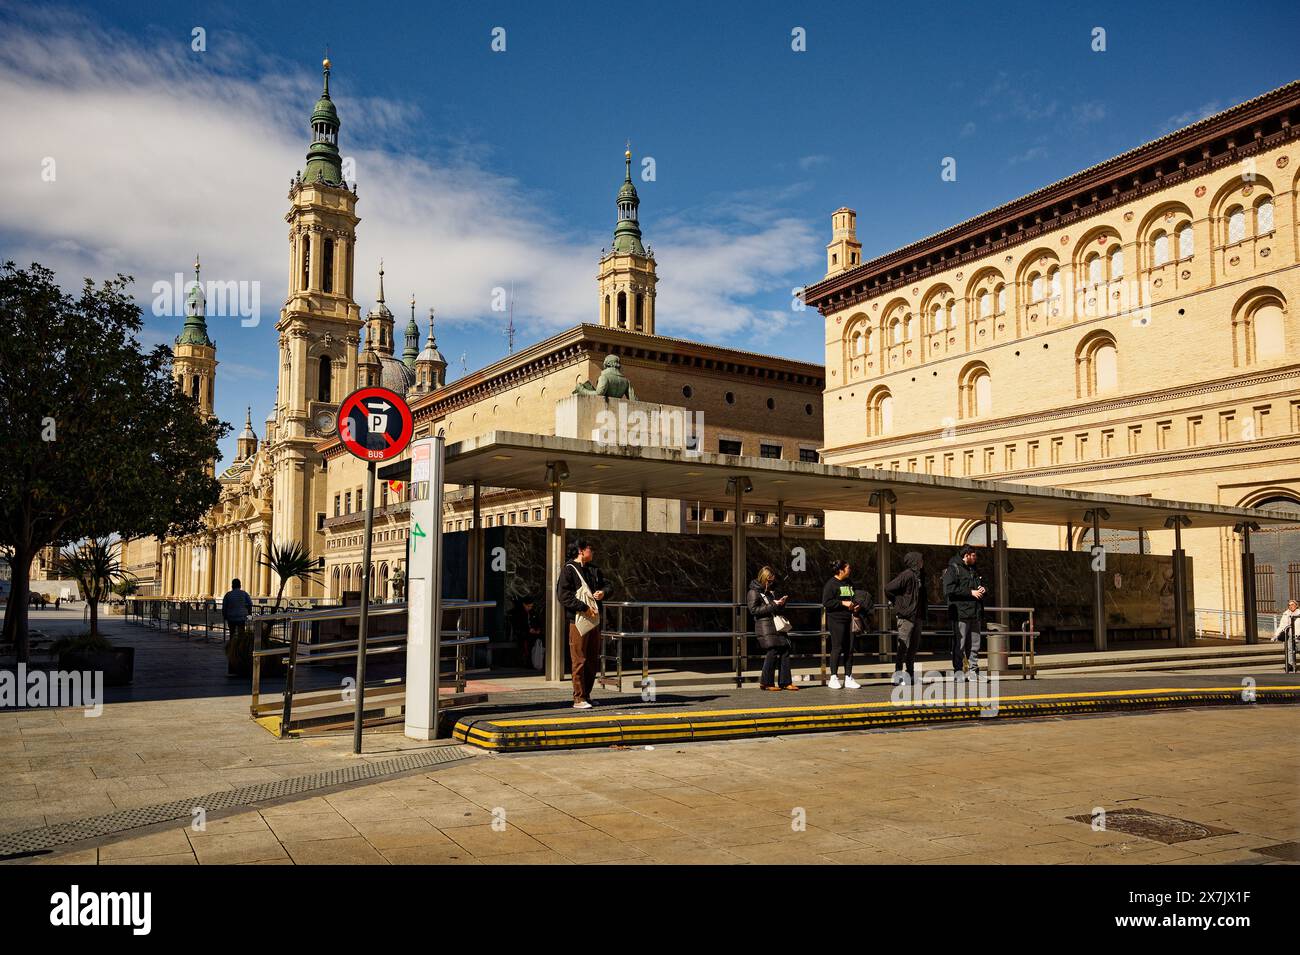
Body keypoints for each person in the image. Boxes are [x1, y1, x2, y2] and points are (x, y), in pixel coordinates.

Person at [556, 538, 612, 709]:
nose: (592, 551)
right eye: (590, 548)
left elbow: (609, 585)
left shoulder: (594, 570)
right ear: (580, 550)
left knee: (591, 660)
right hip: (578, 620)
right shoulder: (569, 570)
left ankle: (587, 695)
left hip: (594, 620)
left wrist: (603, 592)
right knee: (579, 659)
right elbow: (563, 595)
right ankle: (578, 698)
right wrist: (583, 607)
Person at [748, 566, 797, 691]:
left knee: (785, 649)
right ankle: (766, 682)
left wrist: (781, 603)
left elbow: (774, 608)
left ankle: (785, 682)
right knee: (773, 650)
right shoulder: (753, 592)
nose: (770, 583)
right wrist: (773, 604)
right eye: (768, 581)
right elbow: (754, 610)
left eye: (772, 581)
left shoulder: (770, 591)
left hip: (775, 625)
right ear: (763, 578)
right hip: (765, 625)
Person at [943, 545, 987, 677]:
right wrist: (970, 592)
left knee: (975, 645)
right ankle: (958, 671)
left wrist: (984, 589)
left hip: (975, 612)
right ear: (966, 555)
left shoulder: (974, 569)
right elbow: (948, 590)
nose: (976, 558)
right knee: (960, 645)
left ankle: (973, 671)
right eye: (973, 556)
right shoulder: (953, 569)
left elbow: (981, 585)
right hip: (961, 613)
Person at [885, 551, 925, 684]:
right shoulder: (907, 575)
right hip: (907, 617)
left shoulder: (919, 575)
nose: (922, 562)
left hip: (918, 616)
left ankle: (910, 673)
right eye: (920, 559)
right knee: (903, 647)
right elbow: (888, 588)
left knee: (913, 648)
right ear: (914, 561)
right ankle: (898, 674)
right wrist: (899, 604)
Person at [821, 560, 861, 689]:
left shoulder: (849, 583)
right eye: (848, 568)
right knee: (837, 648)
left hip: (850, 619)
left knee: (849, 649)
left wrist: (855, 606)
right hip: (836, 620)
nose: (850, 570)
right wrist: (843, 603)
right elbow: (826, 602)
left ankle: (848, 677)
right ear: (841, 570)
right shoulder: (831, 584)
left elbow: (853, 597)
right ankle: (833, 677)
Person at [507, 595, 542, 668]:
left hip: (532, 633)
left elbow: (537, 622)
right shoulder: (518, 613)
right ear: (524, 604)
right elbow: (517, 625)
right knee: (527, 642)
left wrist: (537, 629)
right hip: (522, 633)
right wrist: (528, 630)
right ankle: (527, 661)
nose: (530, 608)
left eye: (531, 606)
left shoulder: (533, 612)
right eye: (528, 606)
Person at [221, 577, 253, 642]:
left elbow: (224, 607)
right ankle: (240, 648)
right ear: (240, 586)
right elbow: (250, 604)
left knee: (232, 633)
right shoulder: (244, 594)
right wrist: (249, 614)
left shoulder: (228, 594)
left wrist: (225, 616)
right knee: (241, 634)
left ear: (232, 585)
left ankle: (232, 647)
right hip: (241, 617)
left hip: (231, 617)